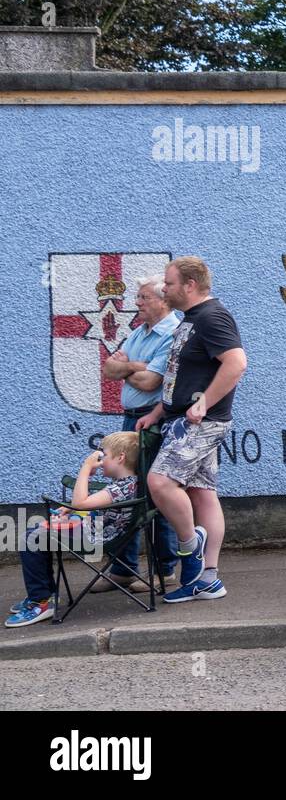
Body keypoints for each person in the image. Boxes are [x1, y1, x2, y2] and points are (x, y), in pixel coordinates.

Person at [137, 256, 247, 602]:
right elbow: (182, 374)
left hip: (200, 423)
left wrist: (203, 403)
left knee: (160, 481)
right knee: (202, 493)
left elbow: (236, 363)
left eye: (168, 284)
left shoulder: (213, 317)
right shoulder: (191, 319)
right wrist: (159, 411)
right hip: (182, 419)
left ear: (190, 284)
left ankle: (190, 543)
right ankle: (207, 579)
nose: (163, 289)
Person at [96, 274, 182, 593]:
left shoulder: (172, 332)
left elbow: (152, 383)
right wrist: (137, 366)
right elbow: (108, 369)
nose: (137, 303)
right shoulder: (138, 333)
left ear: (163, 299)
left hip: (153, 421)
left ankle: (165, 570)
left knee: (154, 492)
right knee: (124, 491)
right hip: (130, 420)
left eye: (143, 298)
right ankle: (123, 569)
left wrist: (127, 368)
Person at [6, 432, 140, 628]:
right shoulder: (130, 484)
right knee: (38, 532)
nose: (100, 462)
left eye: (104, 456)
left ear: (120, 458)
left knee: (31, 539)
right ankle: (43, 594)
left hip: (97, 538)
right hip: (99, 531)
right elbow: (90, 502)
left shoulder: (122, 489)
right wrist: (72, 508)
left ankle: (41, 602)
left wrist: (86, 468)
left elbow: (81, 502)